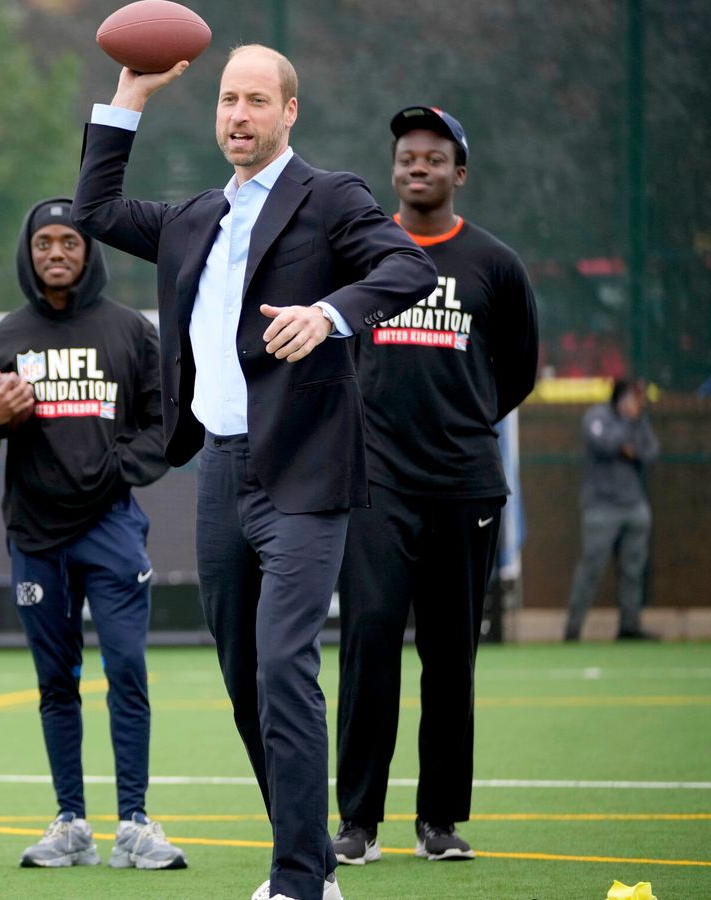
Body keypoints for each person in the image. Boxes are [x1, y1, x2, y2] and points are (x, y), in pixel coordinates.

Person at [72, 46, 437, 900]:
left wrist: (329, 313)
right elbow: (91, 207)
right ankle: (306, 845)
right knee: (244, 679)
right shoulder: (195, 216)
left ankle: (301, 879)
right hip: (221, 471)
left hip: (307, 469)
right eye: (228, 100)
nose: (238, 115)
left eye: (257, 101)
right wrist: (130, 92)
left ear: (290, 112)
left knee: (284, 666)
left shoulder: (330, 197)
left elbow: (409, 266)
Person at [331, 106, 540, 869]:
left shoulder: (495, 264)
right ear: (394, 169)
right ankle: (356, 822)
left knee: (452, 657)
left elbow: (516, 370)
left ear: (459, 173)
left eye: (434, 158)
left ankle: (440, 820)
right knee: (370, 641)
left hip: (463, 485)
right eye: (406, 156)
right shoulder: (358, 255)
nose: (418, 166)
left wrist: (462, 423)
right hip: (376, 484)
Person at [0, 198, 180, 870]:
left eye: (70, 242)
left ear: (90, 252)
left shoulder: (131, 332)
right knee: (56, 682)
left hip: (110, 529)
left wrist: (117, 467)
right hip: (36, 537)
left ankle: (136, 821)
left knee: (127, 671)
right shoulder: (2, 339)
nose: (56, 253)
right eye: (44, 243)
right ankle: (71, 823)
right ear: (28, 253)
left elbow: (167, 427)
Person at [563, 377, 659, 641]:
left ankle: (630, 627)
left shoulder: (641, 421)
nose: (637, 405)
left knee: (633, 570)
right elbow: (605, 444)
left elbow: (651, 452)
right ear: (620, 397)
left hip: (635, 506)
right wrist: (627, 435)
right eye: (633, 398)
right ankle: (572, 630)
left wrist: (632, 445)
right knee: (591, 567)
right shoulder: (597, 416)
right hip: (601, 507)